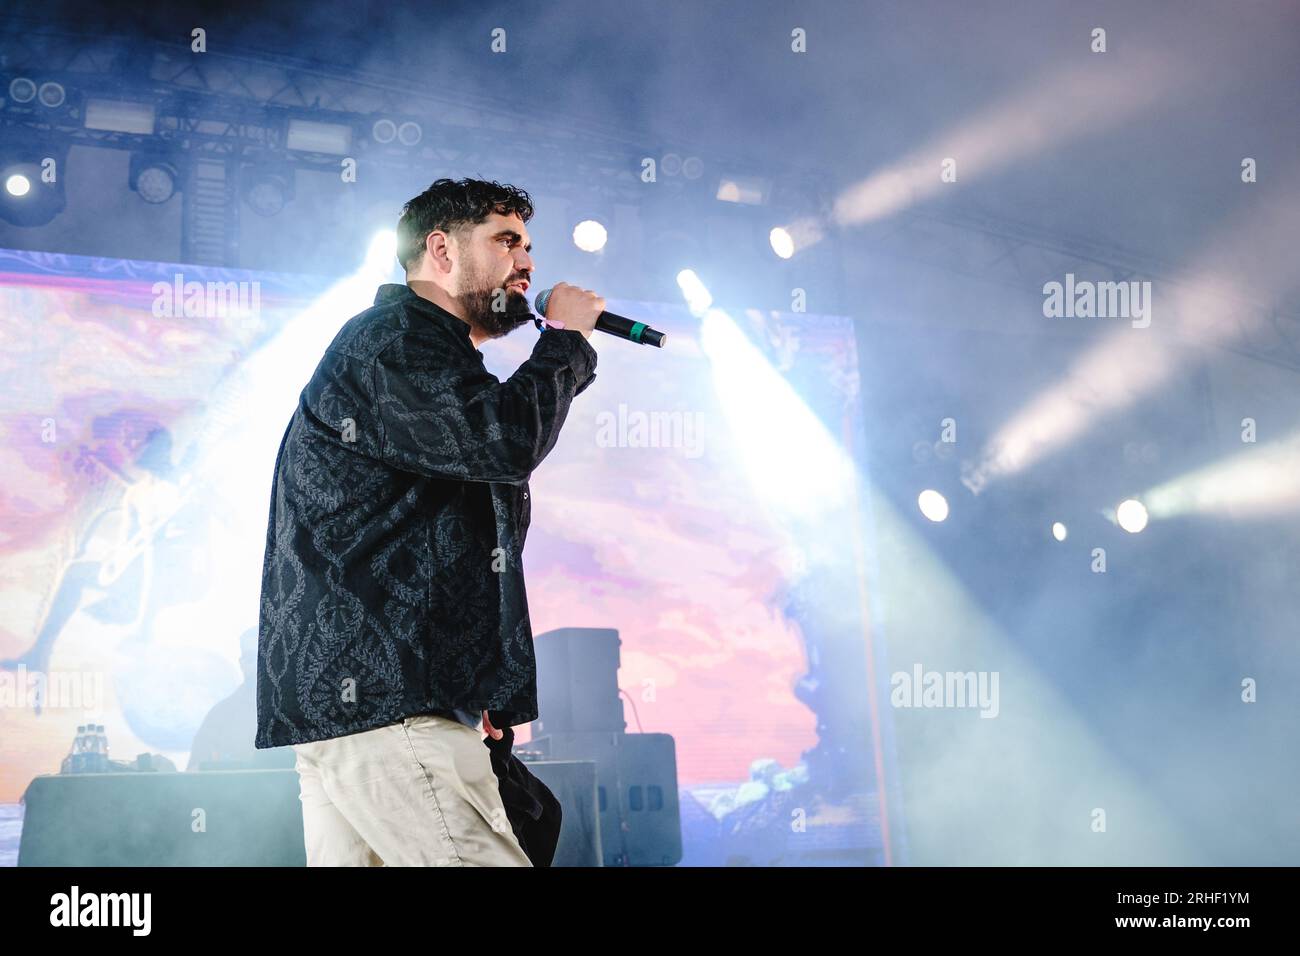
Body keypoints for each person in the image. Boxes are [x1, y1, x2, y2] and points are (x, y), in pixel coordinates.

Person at [254, 178, 602, 866]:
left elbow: (458, 527)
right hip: (391, 705)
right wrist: (564, 341)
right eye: (506, 241)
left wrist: (489, 683)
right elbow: (504, 441)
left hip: (376, 708)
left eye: (529, 245)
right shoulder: (394, 338)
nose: (527, 262)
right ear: (439, 249)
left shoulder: (425, 355)